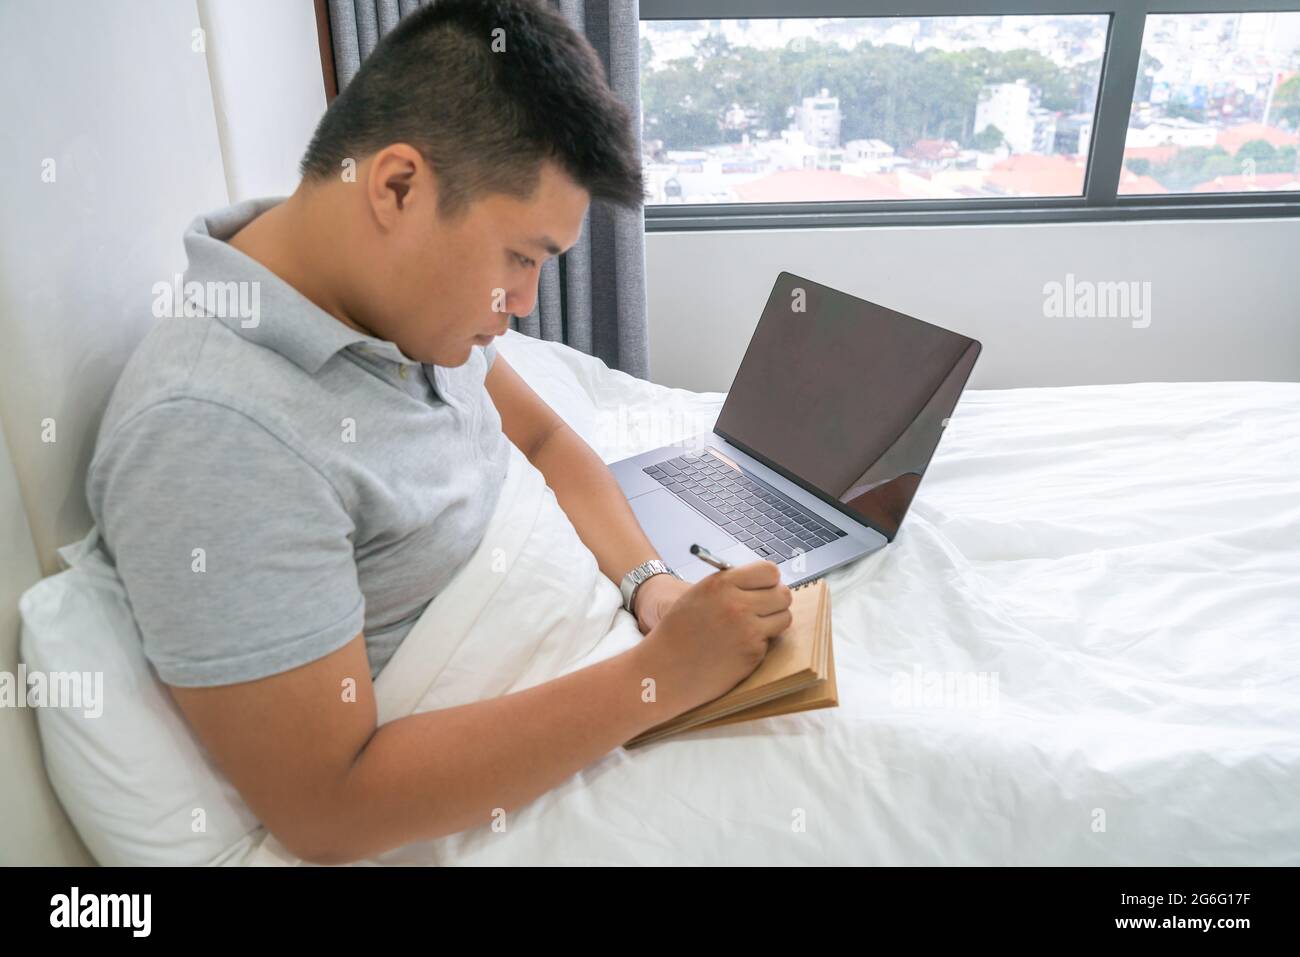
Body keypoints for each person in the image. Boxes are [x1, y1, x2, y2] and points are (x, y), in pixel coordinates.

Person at [86, 0, 791, 864]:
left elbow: (540, 443)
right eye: (521, 257)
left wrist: (651, 587)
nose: (527, 305)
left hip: (614, 650)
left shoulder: (387, 299)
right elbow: (328, 806)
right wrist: (662, 677)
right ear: (397, 188)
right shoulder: (212, 434)